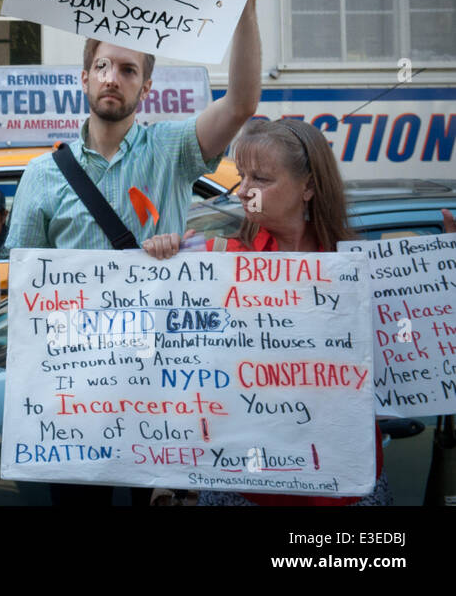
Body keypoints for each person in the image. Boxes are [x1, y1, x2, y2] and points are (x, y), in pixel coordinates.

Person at [6, 0, 282, 506]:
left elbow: (242, 102)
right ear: (84, 78)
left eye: (128, 69)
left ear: (144, 87)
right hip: (75, 396)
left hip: (164, 392)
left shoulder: (174, 149)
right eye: (103, 66)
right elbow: (24, 293)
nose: (114, 77)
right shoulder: (40, 175)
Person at [143, 118, 392, 506]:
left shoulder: (355, 267)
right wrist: (163, 257)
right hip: (248, 487)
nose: (243, 192)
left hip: (345, 483)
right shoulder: (218, 260)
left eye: (260, 179)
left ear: (308, 186)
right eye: (242, 177)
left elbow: (404, 347)